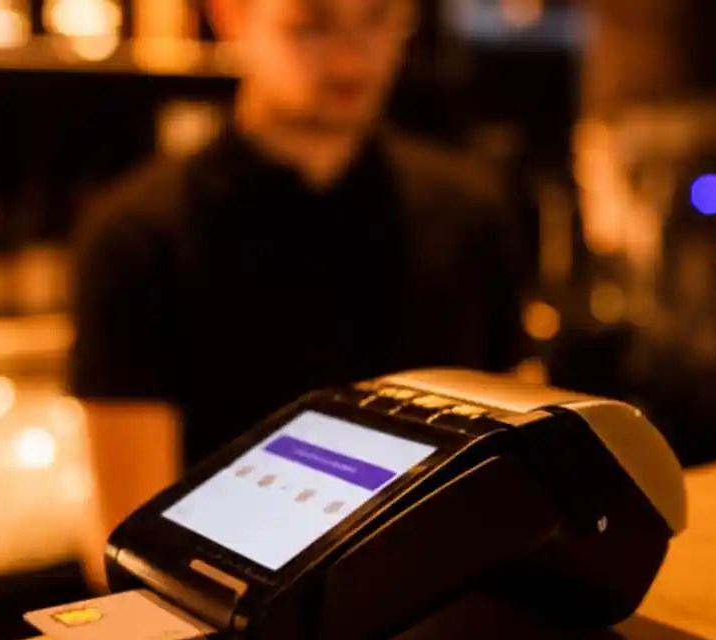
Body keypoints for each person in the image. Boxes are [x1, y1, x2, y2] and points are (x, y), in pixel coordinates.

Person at [69, 0, 532, 588]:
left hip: (447, 611)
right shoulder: (137, 235)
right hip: (227, 627)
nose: (348, 59)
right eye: (310, 24)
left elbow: (514, 473)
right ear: (231, 19)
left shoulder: (471, 212)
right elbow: (126, 545)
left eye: (378, 19)